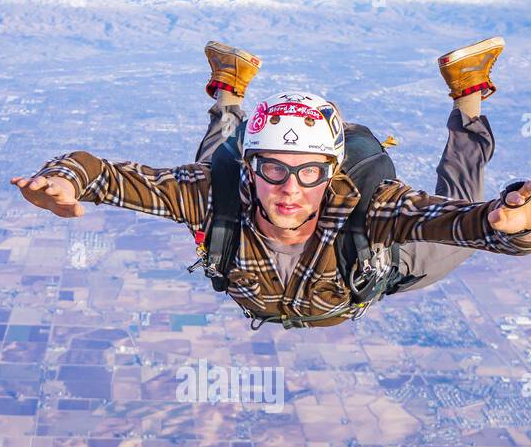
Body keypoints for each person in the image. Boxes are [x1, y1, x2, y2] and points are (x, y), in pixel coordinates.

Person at [11, 46, 531, 330]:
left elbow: (461, 223)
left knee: (462, 219)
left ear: (333, 170)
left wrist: (515, 225)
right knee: (212, 176)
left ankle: (468, 94)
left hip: (387, 266)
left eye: (310, 172)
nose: (290, 190)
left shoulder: (372, 208)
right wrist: (67, 178)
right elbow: (105, 174)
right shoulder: (228, 186)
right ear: (258, 166)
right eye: (273, 168)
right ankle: (230, 95)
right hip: (257, 235)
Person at [196, 38, 513, 296]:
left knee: (212, 186)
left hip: (358, 255)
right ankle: (467, 89)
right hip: (366, 259)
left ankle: (231, 84)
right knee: (460, 221)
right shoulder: (357, 200)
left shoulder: (240, 212)